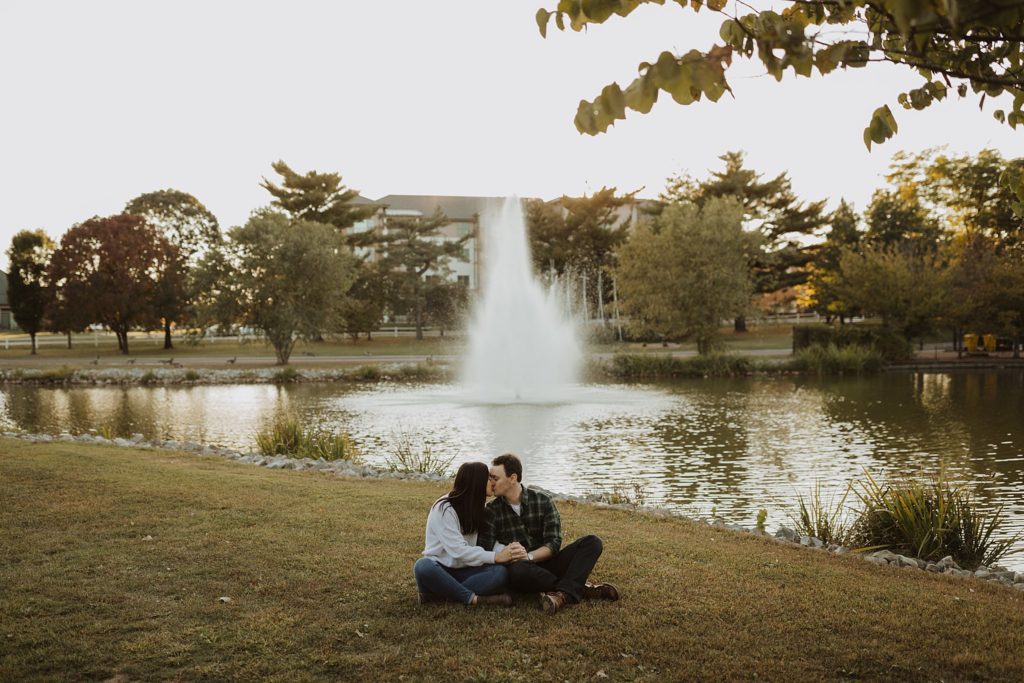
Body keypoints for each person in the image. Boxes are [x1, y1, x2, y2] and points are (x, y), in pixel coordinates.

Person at [478, 453, 620, 614]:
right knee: (517, 570)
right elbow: (485, 549)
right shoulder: (491, 511)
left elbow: (553, 543)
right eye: (490, 478)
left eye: (495, 478)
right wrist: (508, 553)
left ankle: (562, 593)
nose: (491, 482)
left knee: (592, 542)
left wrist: (528, 556)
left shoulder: (543, 501)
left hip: (548, 563)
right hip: (522, 571)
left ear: (512, 478)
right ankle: (576, 588)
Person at [413, 461, 527, 606]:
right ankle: (473, 599)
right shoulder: (444, 508)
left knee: (499, 572)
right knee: (422, 566)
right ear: (477, 482)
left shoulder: (479, 508)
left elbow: (488, 543)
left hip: (466, 571)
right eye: (488, 478)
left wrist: (509, 551)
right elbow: (458, 551)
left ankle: (441, 594)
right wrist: (496, 556)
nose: (492, 482)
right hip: (441, 569)